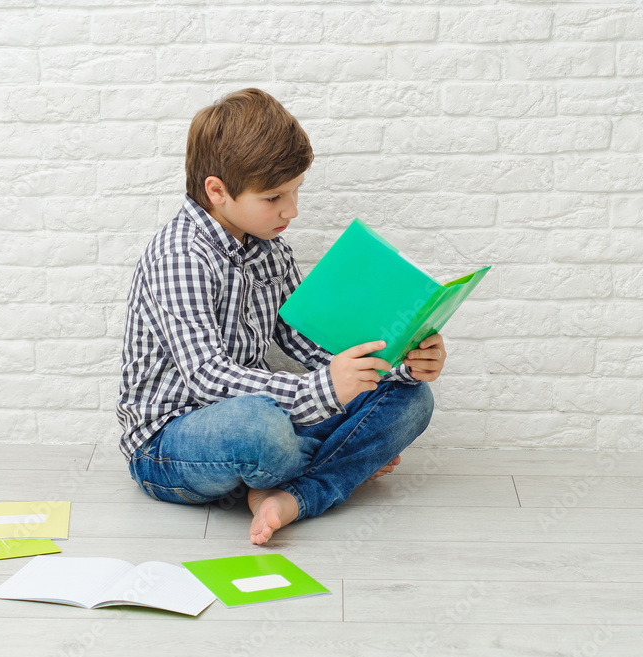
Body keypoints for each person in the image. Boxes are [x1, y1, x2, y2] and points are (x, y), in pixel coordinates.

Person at [116, 88, 445, 545]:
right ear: (217, 191)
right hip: (172, 444)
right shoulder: (180, 256)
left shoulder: (271, 249)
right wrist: (327, 394)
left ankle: (287, 496)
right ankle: (340, 461)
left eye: (295, 190)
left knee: (412, 399)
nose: (291, 210)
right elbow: (207, 377)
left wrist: (400, 362)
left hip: (266, 417)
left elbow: (305, 342)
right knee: (259, 428)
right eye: (274, 197)